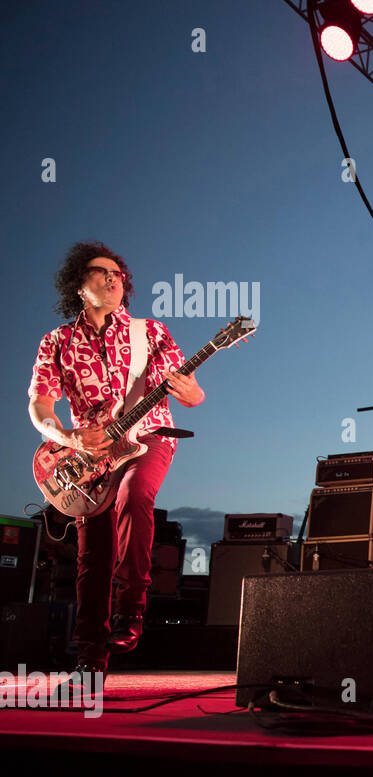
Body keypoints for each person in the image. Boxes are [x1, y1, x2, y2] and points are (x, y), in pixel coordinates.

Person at [28, 241, 205, 679]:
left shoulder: (151, 333)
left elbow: (195, 394)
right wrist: (67, 435)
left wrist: (189, 392)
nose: (112, 278)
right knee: (94, 552)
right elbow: (40, 406)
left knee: (134, 493)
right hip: (89, 455)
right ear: (77, 285)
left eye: (118, 274)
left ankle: (132, 612)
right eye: (99, 271)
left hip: (148, 439)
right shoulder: (57, 342)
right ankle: (90, 657)